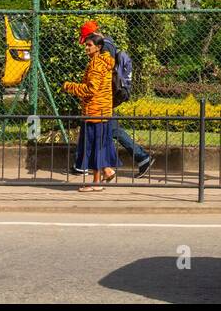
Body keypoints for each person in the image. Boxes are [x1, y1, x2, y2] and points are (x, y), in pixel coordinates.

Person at [74, 21, 155, 178]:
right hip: (105, 97)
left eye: (86, 42)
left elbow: (104, 74)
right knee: (105, 128)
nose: (85, 46)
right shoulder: (107, 44)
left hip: (104, 97)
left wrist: (81, 88)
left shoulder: (105, 47)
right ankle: (88, 165)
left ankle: (136, 158)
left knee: (108, 128)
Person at [62, 33, 118, 190]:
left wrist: (69, 86)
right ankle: (101, 177)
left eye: (89, 45)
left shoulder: (95, 64)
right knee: (98, 146)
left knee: (92, 147)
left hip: (94, 111)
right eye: (86, 45)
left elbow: (91, 89)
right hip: (103, 110)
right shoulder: (104, 61)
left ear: (98, 47)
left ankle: (98, 180)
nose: (86, 48)